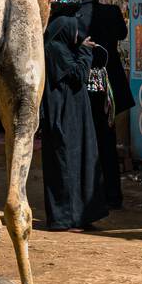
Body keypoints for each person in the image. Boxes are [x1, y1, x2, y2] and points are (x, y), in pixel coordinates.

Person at [40, 14, 108, 231]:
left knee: (78, 162)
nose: (78, 36)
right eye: (75, 32)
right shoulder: (56, 50)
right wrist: (85, 51)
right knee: (66, 165)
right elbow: (78, 75)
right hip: (64, 117)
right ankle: (66, 218)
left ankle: (81, 215)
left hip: (73, 116)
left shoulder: (60, 48)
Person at [72, 0, 132, 209]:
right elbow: (122, 34)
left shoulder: (71, 15)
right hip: (108, 83)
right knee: (107, 139)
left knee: (86, 140)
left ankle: (90, 196)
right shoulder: (111, 12)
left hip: (85, 83)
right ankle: (113, 196)